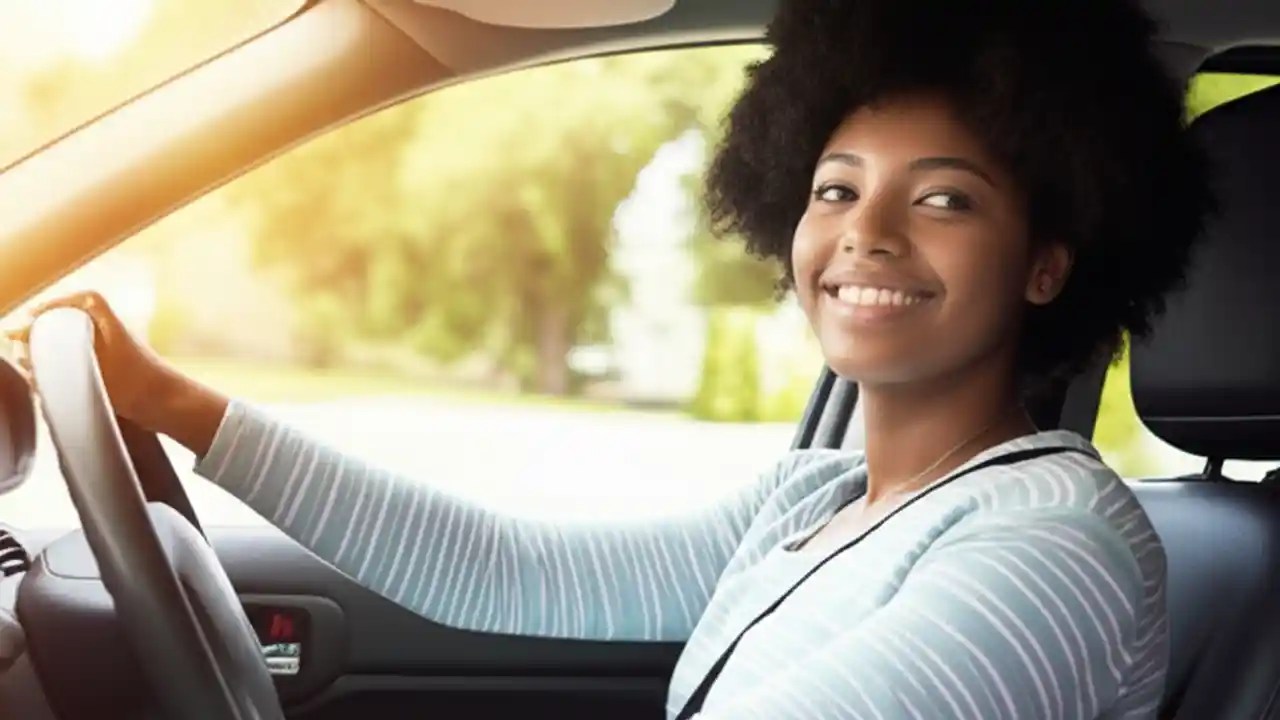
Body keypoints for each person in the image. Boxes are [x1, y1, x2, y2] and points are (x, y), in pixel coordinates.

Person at [11, 0, 1212, 717]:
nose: (865, 233)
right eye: (833, 188)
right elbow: (501, 571)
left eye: (943, 199)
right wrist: (175, 403)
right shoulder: (821, 500)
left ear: (1047, 262)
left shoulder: (1055, 541)